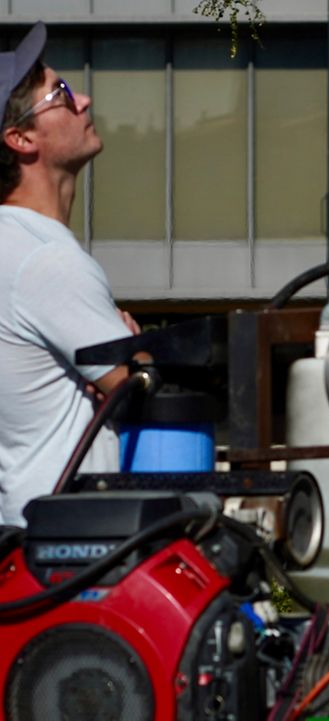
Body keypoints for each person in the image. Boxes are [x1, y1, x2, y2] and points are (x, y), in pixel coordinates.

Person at [0, 22, 139, 526]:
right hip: (73, 538)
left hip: (27, 530)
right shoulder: (44, 259)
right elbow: (138, 387)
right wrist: (139, 356)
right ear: (20, 138)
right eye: (59, 93)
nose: (83, 100)